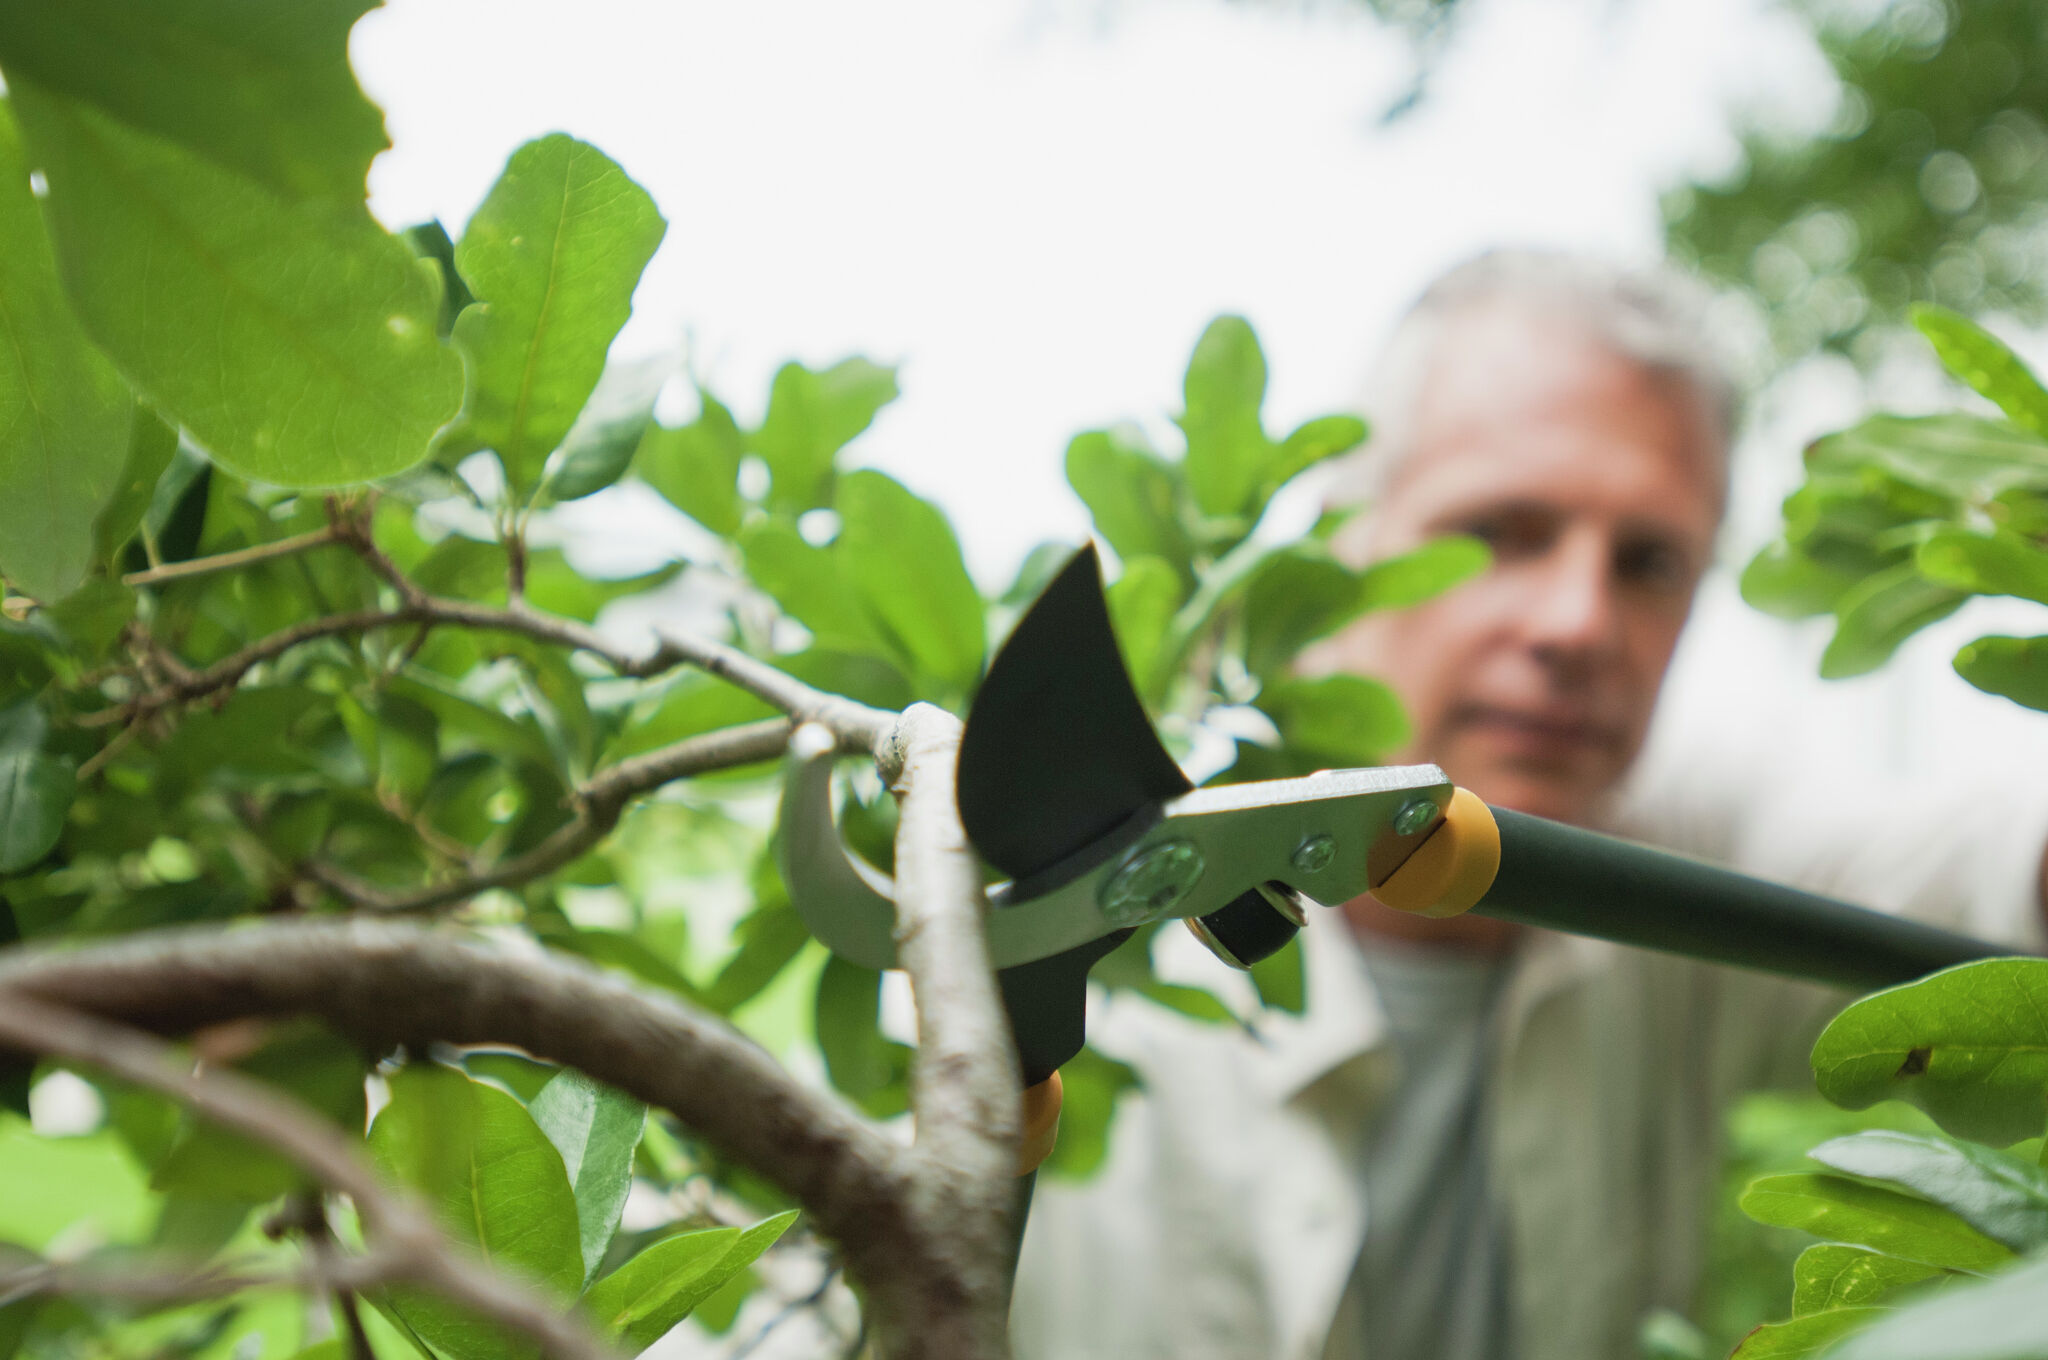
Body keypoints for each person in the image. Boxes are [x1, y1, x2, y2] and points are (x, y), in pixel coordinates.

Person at [1006, 250, 2048, 1360]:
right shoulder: (1082, 904)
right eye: (1499, 529)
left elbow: (1979, 871)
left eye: (1647, 560)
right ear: (1337, 546)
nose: (1576, 623)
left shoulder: (1695, 844)